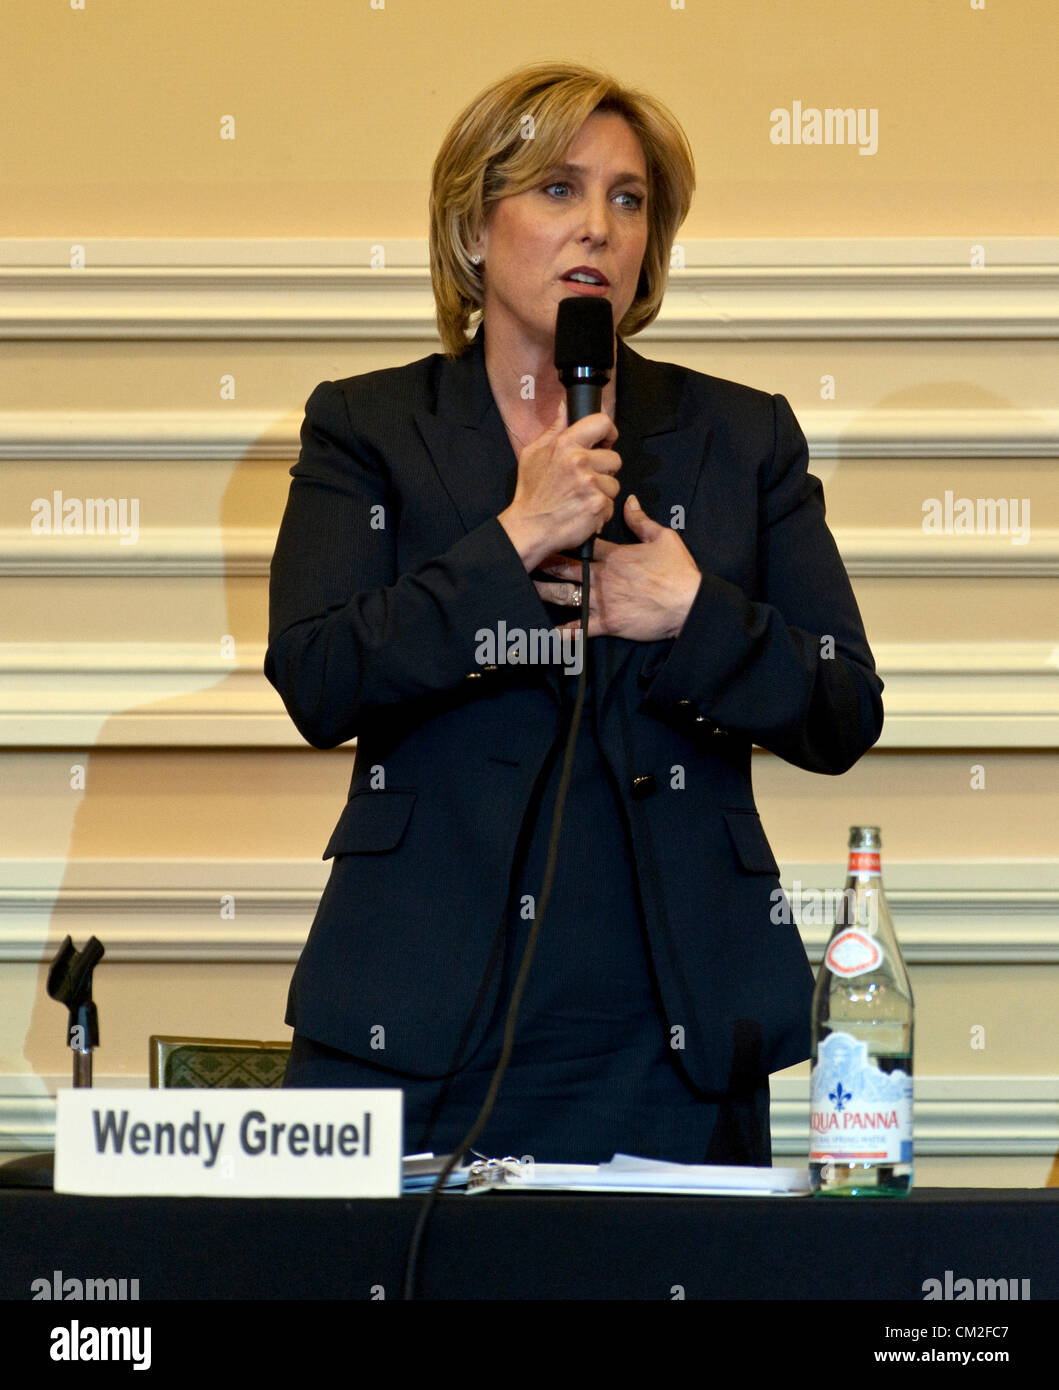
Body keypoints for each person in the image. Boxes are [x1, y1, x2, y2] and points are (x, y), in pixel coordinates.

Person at [265, 62, 884, 1166]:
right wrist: (511, 540)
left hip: (670, 1034)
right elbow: (316, 675)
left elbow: (842, 704)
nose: (597, 224)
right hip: (414, 1023)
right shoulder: (368, 427)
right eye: (557, 189)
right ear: (471, 224)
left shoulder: (742, 439)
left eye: (629, 198)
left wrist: (695, 612)